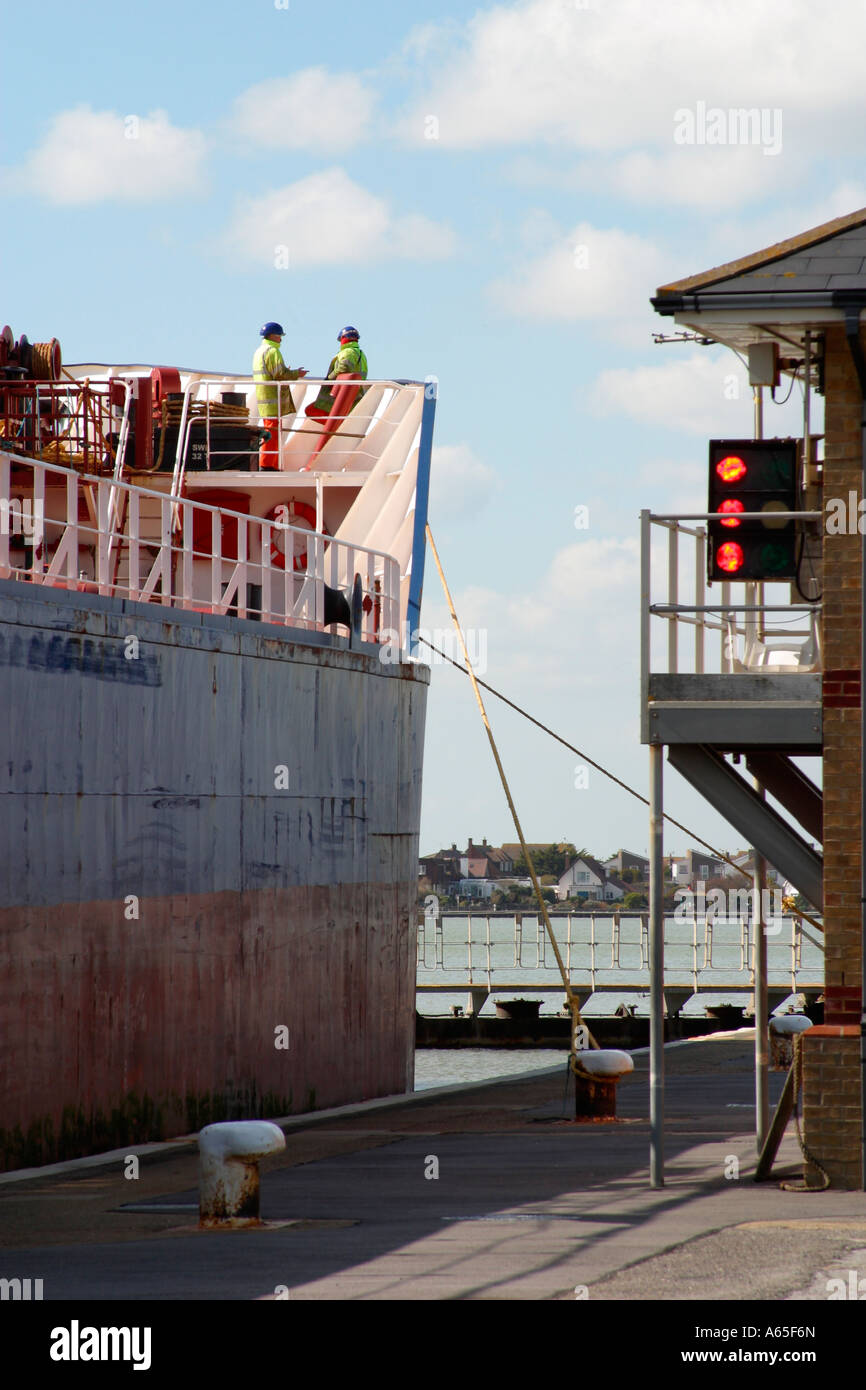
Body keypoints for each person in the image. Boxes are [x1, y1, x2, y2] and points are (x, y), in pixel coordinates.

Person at [252, 322, 308, 470]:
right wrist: (297, 373)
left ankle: (272, 464)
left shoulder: (259, 351)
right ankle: (267, 465)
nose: (281, 340)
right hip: (272, 400)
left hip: (265, 399)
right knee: (272, 434)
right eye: (279, 336)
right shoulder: (272, 351)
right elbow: (279, 374)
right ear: (272, 335)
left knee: (272, 432)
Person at [304, 326, 368, 421]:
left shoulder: (347, 352)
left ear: (343, 338)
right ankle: (337, 425)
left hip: (339, 395)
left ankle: (337, 427)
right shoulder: (361, 354)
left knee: (311, 411)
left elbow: (343, 368)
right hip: (354, 395)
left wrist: (329, 379)